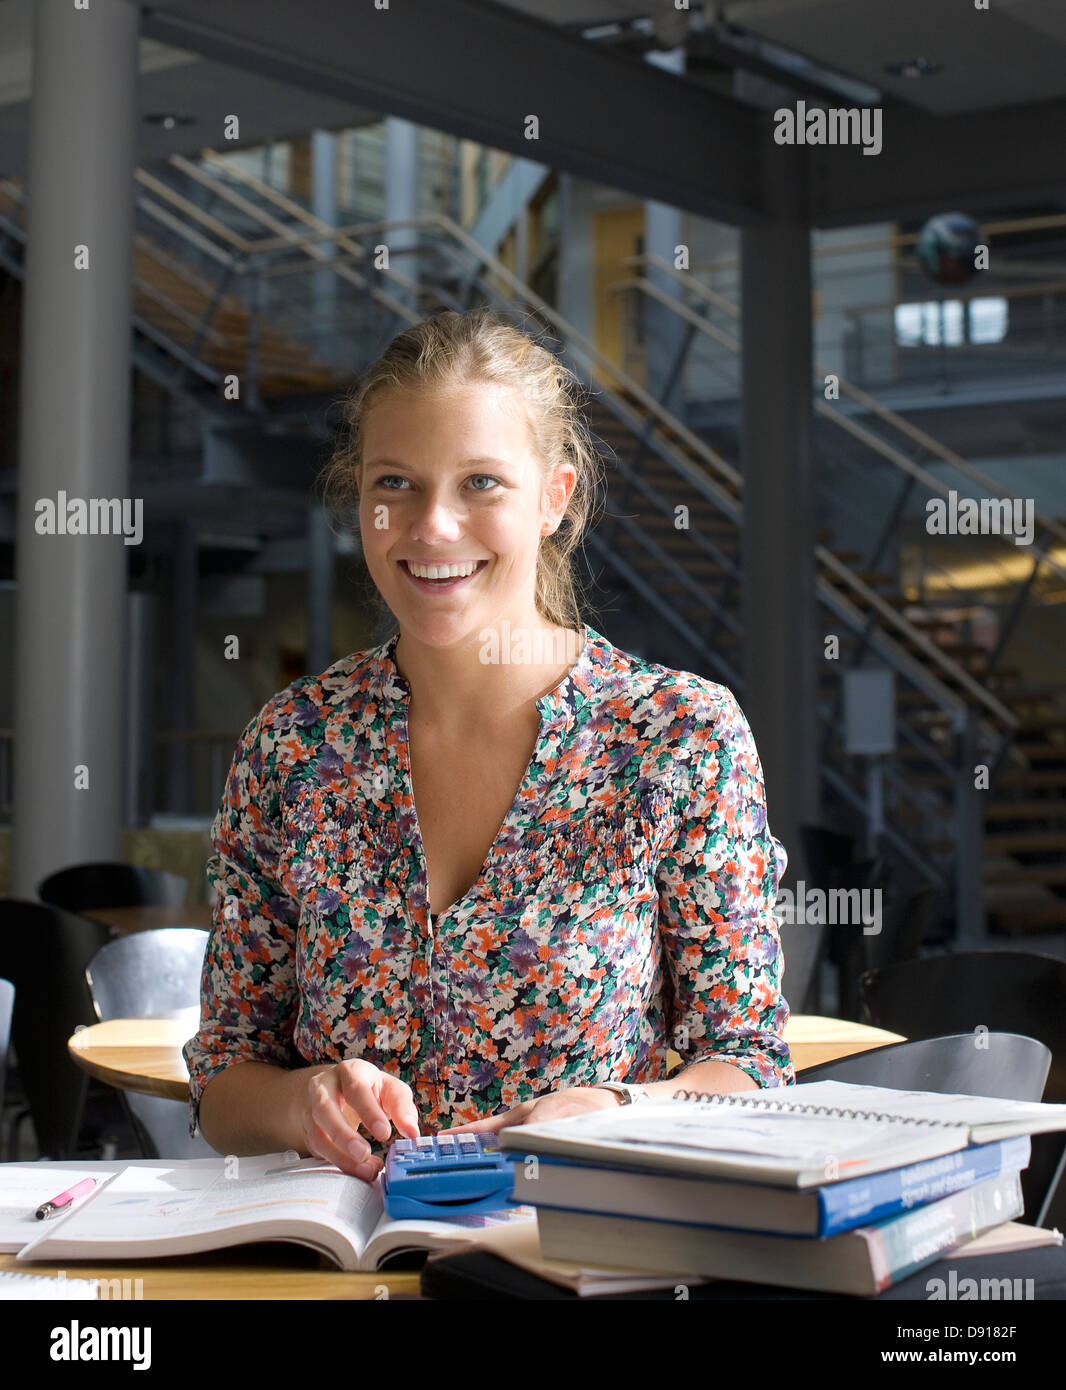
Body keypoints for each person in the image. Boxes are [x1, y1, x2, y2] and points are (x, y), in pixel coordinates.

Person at [182, 307, 794, 1185]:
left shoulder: (680, 736)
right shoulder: (291, 745)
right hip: (339, 1246)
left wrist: (619, 1108)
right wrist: (298, 1101)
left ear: (554, 497)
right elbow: (224, 1073)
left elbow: (748, 1062)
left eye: (480, 483)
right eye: (396, 483)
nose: (433, 526)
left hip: (575, 1237)